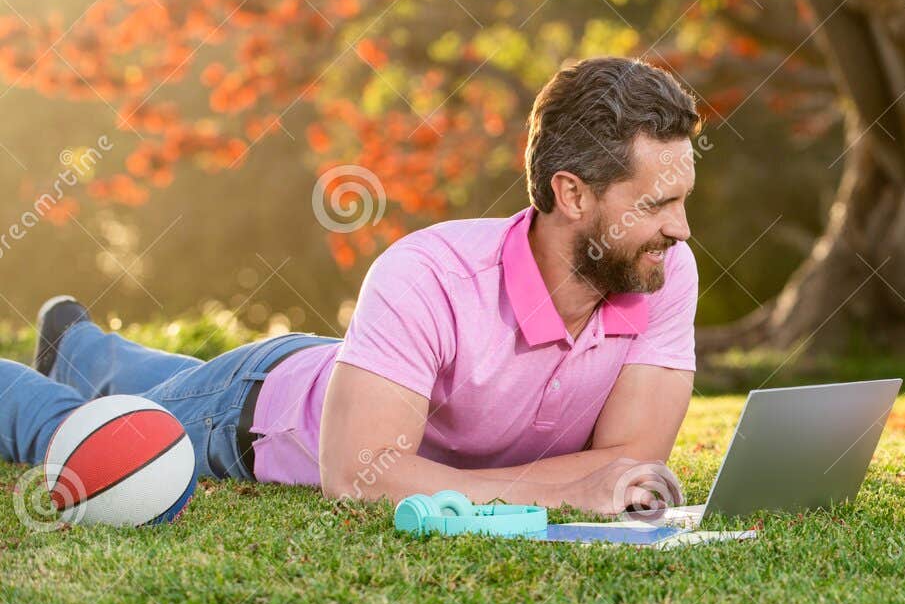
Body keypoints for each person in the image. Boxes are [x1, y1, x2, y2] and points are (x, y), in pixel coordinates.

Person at [1, 56, 702, 514]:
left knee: (134, 374)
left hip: (351, 375)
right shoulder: (428, 273)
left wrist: (589, 481)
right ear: (572, 195)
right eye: (656, 204)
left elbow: (629, 461)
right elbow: (361, 476)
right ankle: (48, 385)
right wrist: (563, 490)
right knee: (106, 438)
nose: (683, 229)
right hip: (254, 407)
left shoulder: (661, 270)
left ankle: (81, 347)